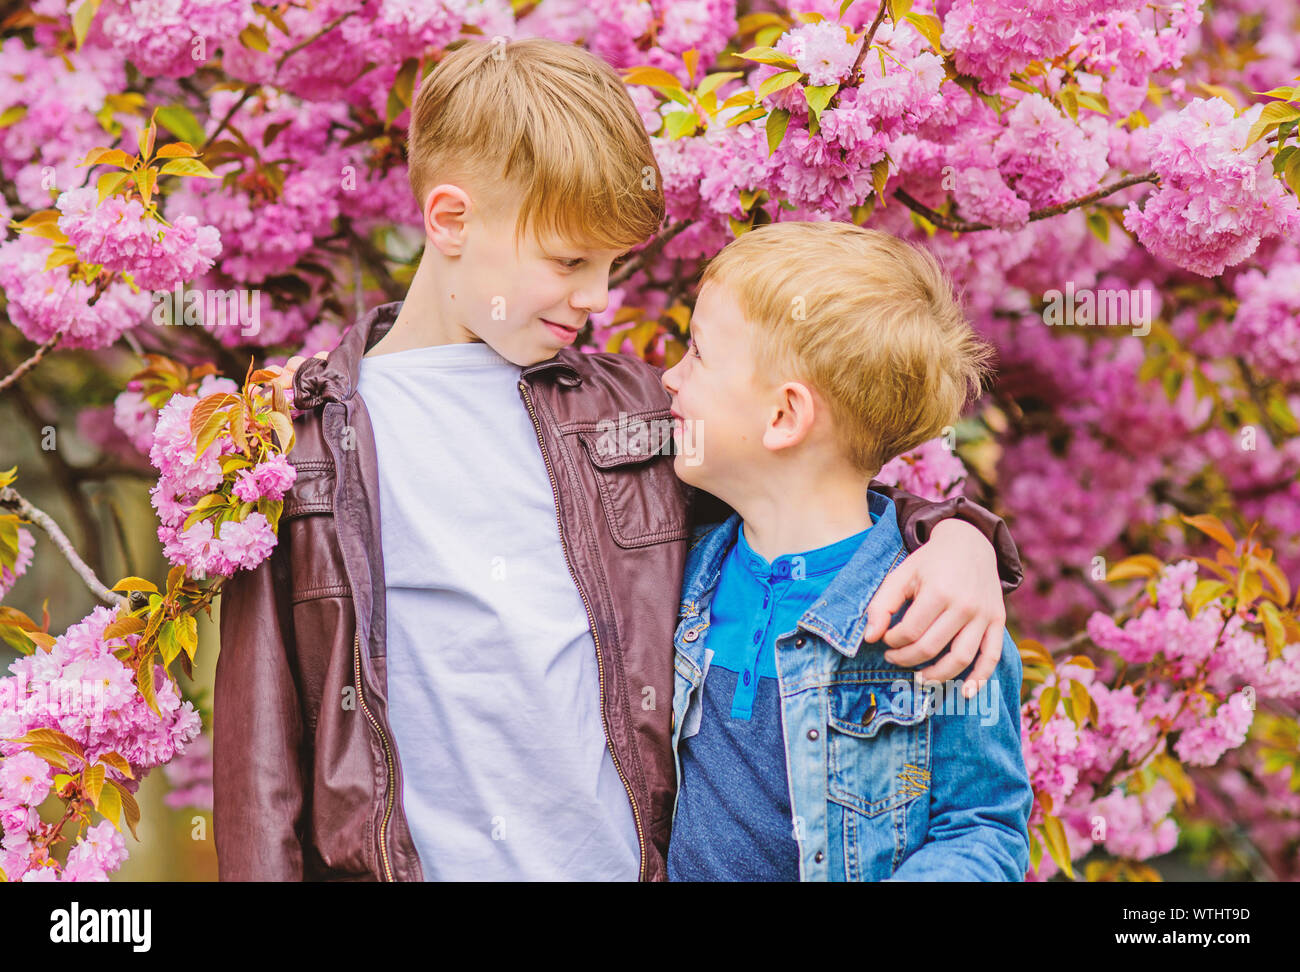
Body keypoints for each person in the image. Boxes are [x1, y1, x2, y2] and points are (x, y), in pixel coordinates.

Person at [214, 37, 1023, 881]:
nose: (596, 298)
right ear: (451, 221)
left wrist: (960, 540)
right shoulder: (296, 446)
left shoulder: (629, 414)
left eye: (609, 266)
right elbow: (262, 761)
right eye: (569, 261)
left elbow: (818, 479)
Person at [662, 222, 1033, 881]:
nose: (668, 376)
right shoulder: (681, 568)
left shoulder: (934, 624)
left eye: (696, 354)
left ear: (783, 417)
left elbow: (982, 829)